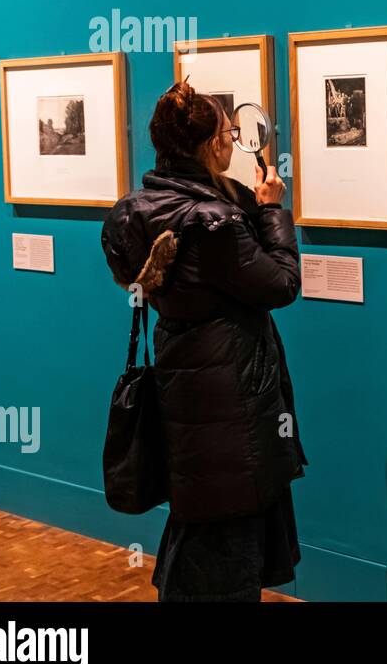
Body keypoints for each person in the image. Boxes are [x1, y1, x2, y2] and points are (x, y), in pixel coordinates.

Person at [100, 81, 306, 601]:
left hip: (184, 378)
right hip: (231, 392)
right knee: (229, 531)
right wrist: (274, 211)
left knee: (200, 513)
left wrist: (248, 207)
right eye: (228, 133)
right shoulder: (214, 222)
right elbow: (280, 285)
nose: (233, 142)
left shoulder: (133, 211)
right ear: (212, 144)